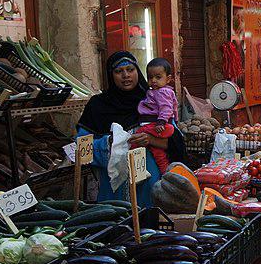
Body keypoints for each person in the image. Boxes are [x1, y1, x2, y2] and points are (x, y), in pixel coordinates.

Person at [77, 51, 183, 206]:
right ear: (111, 75)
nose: (126, 75)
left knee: (148, 218)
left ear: (137, 72)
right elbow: (81, 148)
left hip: (149, 185)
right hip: (113, 188)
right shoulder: (97, 105)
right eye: (119, 71)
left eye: (130, 69)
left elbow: (176, 141)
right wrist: (109, 143)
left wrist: (150, 139)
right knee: (116, 218)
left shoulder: (153, 100)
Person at [132, 58, 178, 174]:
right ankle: (165, 173)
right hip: (159, 125)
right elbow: (173, 109)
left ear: (168, 79)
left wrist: (161, 122)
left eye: (158, 77)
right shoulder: (155, 91)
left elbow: (166, 108)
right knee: (158, 153)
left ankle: (133, 163)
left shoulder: (163, 92)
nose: (153, 81)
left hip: (156, 125)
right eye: (150, 77)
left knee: (136, 138)